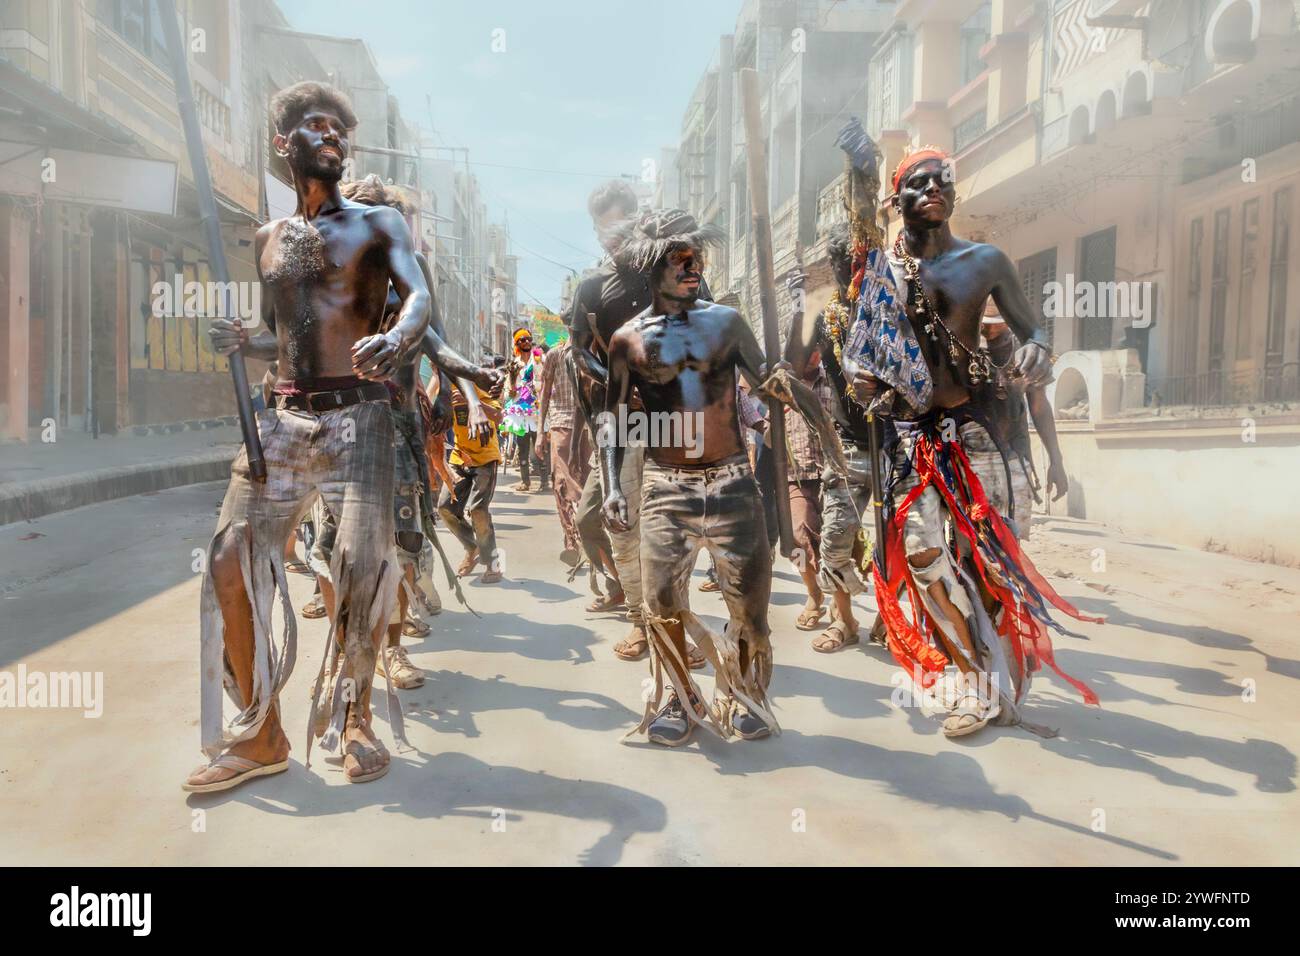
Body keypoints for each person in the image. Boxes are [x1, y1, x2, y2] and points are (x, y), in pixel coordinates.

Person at [184, 81, 430, 792]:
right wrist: (242, 340)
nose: (333, 136)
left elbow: (417, 297)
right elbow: (281, 336)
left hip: (362, 417)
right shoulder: (267, 238)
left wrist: (398, 338)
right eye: (316, 126)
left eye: (339, 128)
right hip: (284, 418)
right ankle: (261, 732)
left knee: (360, 564)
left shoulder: (379, 224)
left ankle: (355, 718)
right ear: (283, 144)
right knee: (230, 558)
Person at [845, 145, 1099, 738]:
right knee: (925, 560)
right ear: (897, 199)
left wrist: (1038, 348)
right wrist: (862, 378)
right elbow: (861, 356)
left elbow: (1034, 329)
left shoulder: (987, 262)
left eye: (943, 182)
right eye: (919, 182)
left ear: (954, 195)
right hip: (910, 435)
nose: (934, 189)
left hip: (976, 434)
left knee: (985, 560)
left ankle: (993, 676)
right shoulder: (880, 272)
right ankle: (973, 681)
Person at [602, 208, 775, 747]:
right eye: (678, 260)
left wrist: (790, 386)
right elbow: (612, 421)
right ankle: (679, 695)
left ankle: (744, 692)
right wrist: (611, 485)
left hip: (732, 482)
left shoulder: (726, 322)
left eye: (694, 258)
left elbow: (767, 382)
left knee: (748, 605)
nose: (690, 266)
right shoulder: (626, 340)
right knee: (662, 602)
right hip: (665, 486)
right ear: (649, 270)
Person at [569, 181, 707, 669]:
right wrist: (616, 380)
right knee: (611, 520)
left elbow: (707, 327)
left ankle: (673, 622)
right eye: (603, 221)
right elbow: (578, 351)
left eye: (622, 217)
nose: (613, 230)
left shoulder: (672, 270)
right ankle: (639, 617)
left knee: (673, 528)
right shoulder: (591, 286)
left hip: (673, 418)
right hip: (618, 420)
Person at [981, 299, 1068, 538]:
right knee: (968, 540)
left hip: (1013, 455)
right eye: (984, 323)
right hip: (970, 456)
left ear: (1009, 322)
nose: (988, 330)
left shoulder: (1028, 355)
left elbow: (1039, 408)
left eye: (996, 323)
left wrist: (1056, 461)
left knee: (1010, 538)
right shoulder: (964, 348)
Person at [783, 344, 837, 635]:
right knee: (797, 539)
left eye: (818, 349)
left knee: (837, 541)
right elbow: (768, 429)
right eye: (808, 349)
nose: (814, 355)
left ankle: (841, 600)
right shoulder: (783, 384)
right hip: (797, 474)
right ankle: (814, 592)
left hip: (835, 473)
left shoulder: (834, 380)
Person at [439, 375, 506, 585]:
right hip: (460, 456)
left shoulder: (478, 385)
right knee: (444, 508)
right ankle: (472, 547)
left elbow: (498, 416)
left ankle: (492, 563)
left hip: (485, 458)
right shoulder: (442, 386)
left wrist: (472, 402)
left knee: (478, 510)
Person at [535, 340, 590, 569]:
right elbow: (545, 394)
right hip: (561, 424)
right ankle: (571, 540)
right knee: (562, 483)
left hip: (588, 427)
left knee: (588, 484)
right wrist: (540, 432)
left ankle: (587, 539)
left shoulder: (590, 353)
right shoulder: (555, 356)